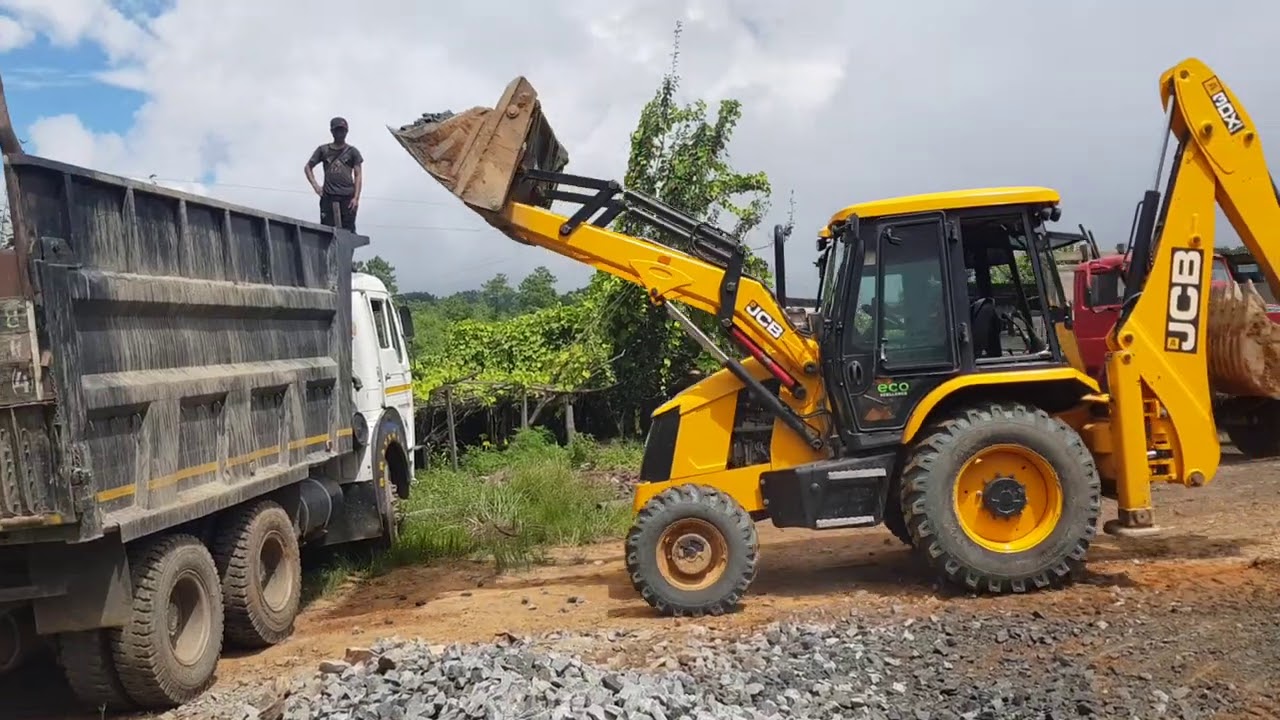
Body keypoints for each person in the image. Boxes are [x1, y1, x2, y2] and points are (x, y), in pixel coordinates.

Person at [305, 117, 363, 232]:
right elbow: (308, 167)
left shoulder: (352, 152)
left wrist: (356, 198)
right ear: (332, 131)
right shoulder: (323, 150)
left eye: (343, 130)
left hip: (347, 197)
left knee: (348, 233)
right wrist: (316, 186)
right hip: (328, 196)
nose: (340, 133)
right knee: (327, 232)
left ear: (346, 131)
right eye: (338, 130)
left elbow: (358, 175)